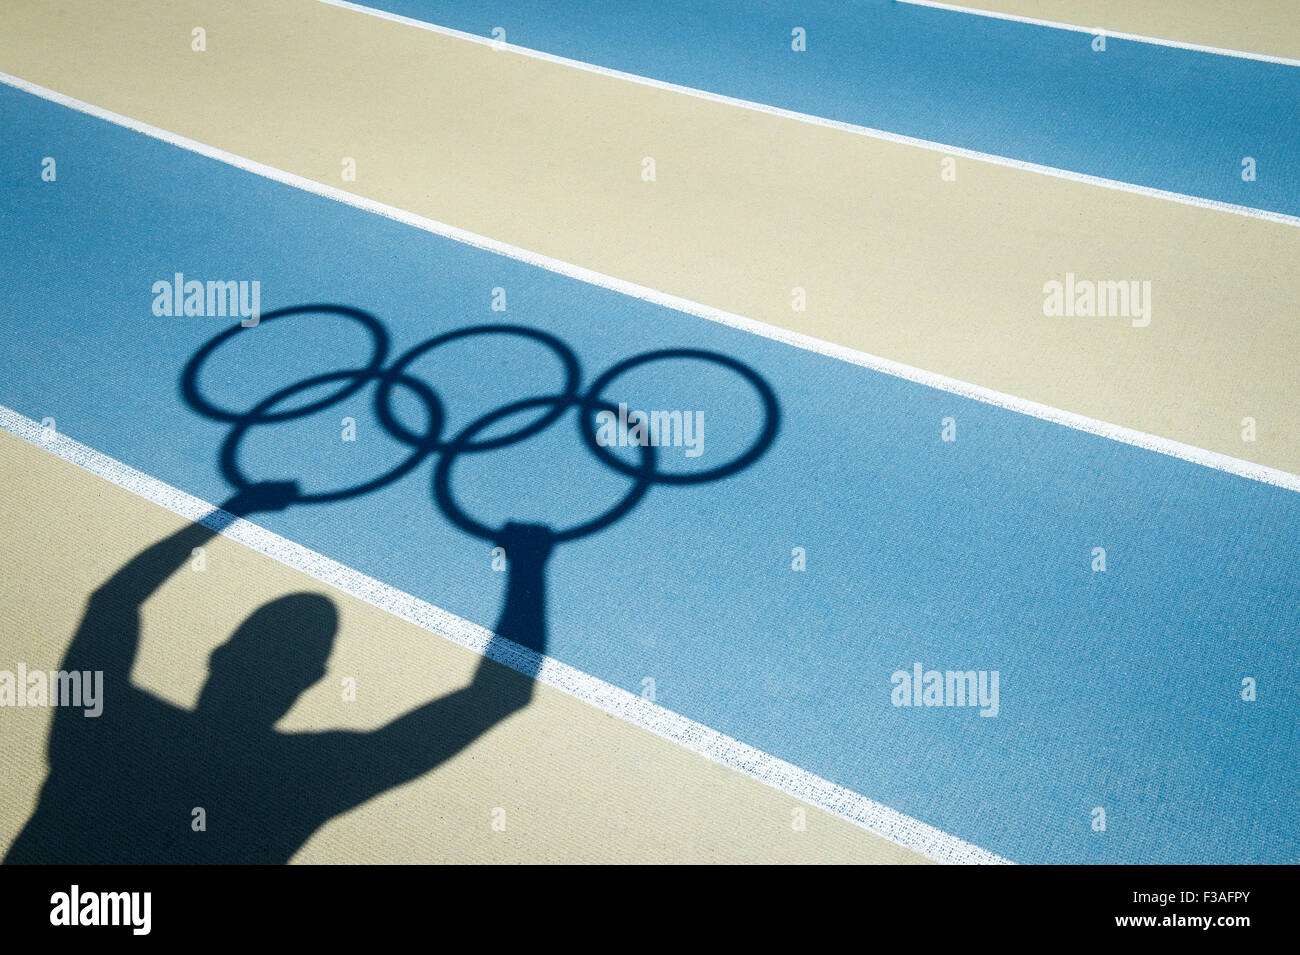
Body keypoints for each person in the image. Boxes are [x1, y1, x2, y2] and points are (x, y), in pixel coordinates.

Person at [5, 481, 553, 864]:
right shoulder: (307, 777)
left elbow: (112, 604)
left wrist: (233, 509)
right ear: (312, 680)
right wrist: (527, 566)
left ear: (217, 655)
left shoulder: (107, 724)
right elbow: (499, 695)